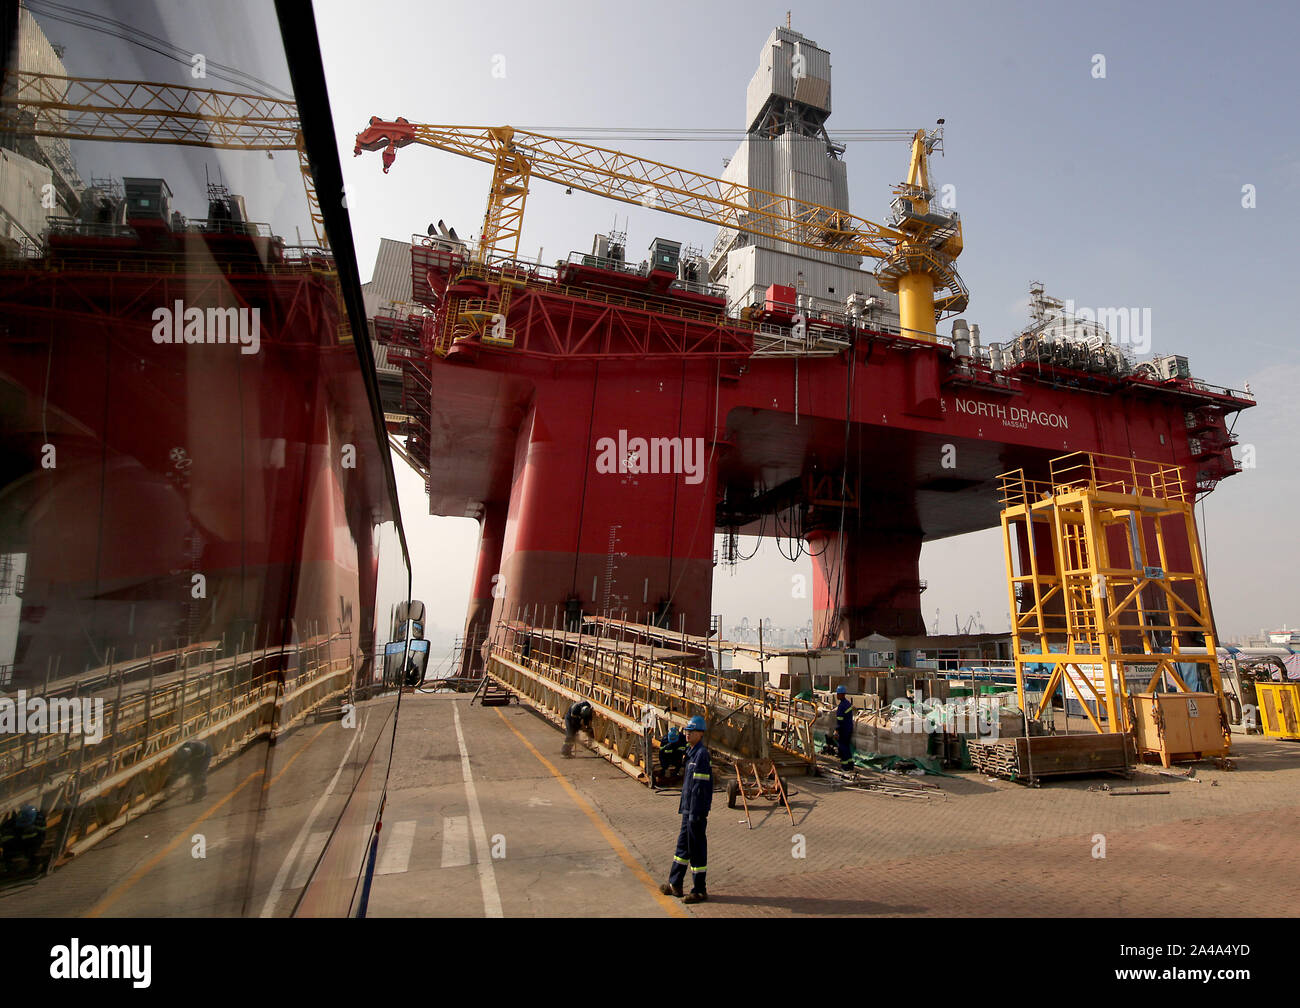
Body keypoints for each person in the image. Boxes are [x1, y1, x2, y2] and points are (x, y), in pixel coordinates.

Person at [660, 714, 711, 904]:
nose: (687, 735)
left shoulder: (701, 755)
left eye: (691, 732)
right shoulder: (690, 753)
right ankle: (675, 884)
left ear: (700, 733)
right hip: (687, 809)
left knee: (696, 848)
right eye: (687, 731)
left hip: (695, 812)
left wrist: (696, 813)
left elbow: (701, 787)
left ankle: (699, 890)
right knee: (682, 846)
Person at [0, 804, 47, 875]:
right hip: (14, 843)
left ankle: (32, 864)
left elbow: (37, 838)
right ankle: (11, 866)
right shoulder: (10, 826)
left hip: (28, 843)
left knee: (32, 849)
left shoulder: (36, 823)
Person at [834, 685, 855, 770]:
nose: (837, 696)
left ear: (841, 694)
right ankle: (850, 764)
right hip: (849, 728)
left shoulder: (841, 706)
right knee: (847, 746)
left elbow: (840, 720)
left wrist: (837, 731)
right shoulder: (848, 703)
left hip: (843, 730)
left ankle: (845, 766)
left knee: (842, 747)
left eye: (838, 694)